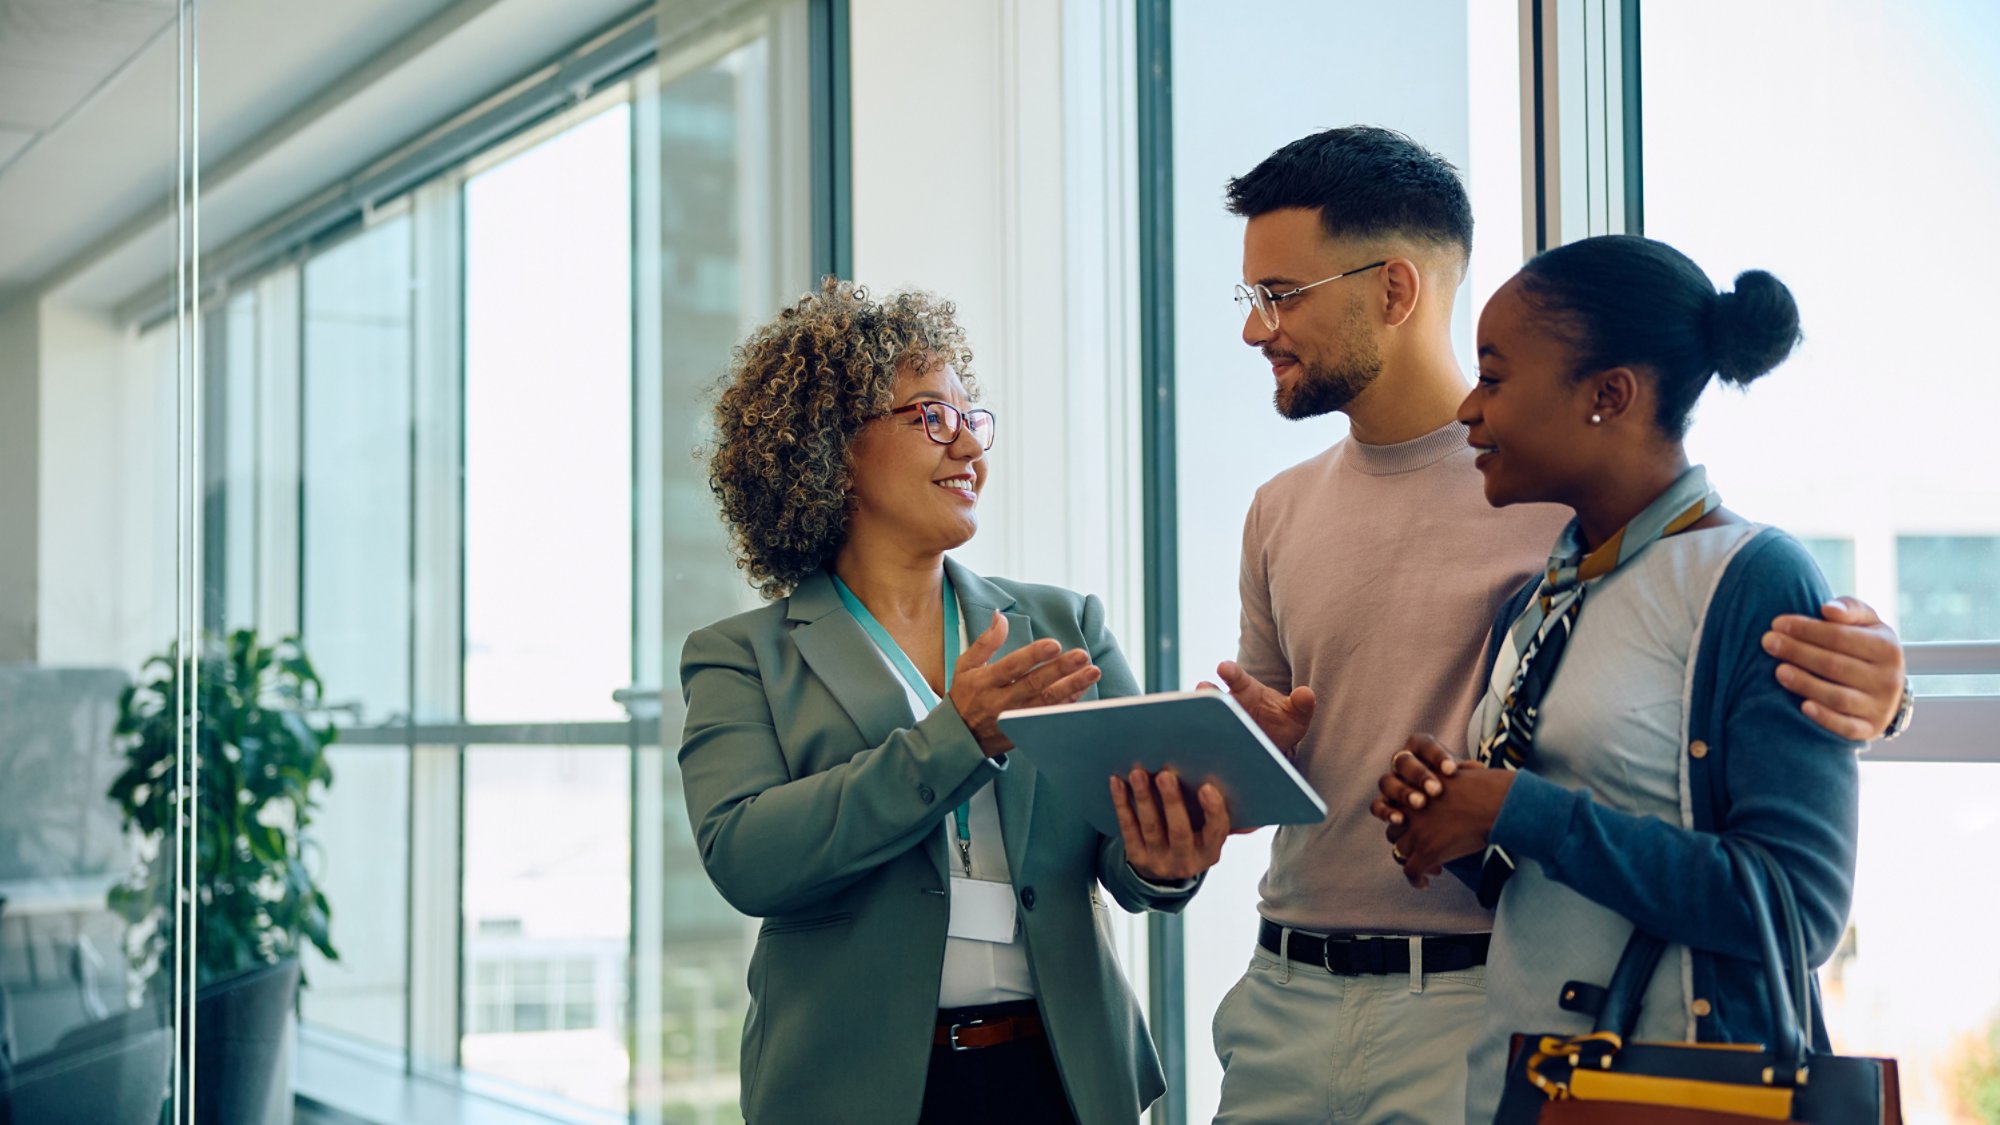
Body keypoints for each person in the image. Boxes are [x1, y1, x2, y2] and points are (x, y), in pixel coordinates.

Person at [1203, 127, 1908, 1124]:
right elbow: (1528, 823)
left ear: (1392, 290)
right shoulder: (1526, 565)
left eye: (1279, 295)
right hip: (1328, 1002)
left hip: (1534, 1028)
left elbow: (1780, 862)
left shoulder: (1603, 522)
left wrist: (1889, 696)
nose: (1253, 329)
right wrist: (1421, 811)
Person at [678, 279, 1231, 1125]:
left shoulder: (1060, 623)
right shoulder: (743, 655)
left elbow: (1128, 854)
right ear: (831, 449)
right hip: (854, 1092)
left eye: (975, 418)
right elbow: (748, 856)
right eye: (933, 415)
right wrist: (954, 738)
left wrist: (1166, 853)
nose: (969, 442)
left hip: (1064, 1078)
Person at [1372, 235, 1862, 1121]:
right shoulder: (1540, 597)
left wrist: (1513, 807)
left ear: (1610, 395)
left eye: (1493, 375)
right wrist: (1452, 819)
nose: (1468, 409)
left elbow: (1798, 910)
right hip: (1529, 1086)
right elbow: (1547, 866)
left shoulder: (1753, 578)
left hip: (1681, 1089)